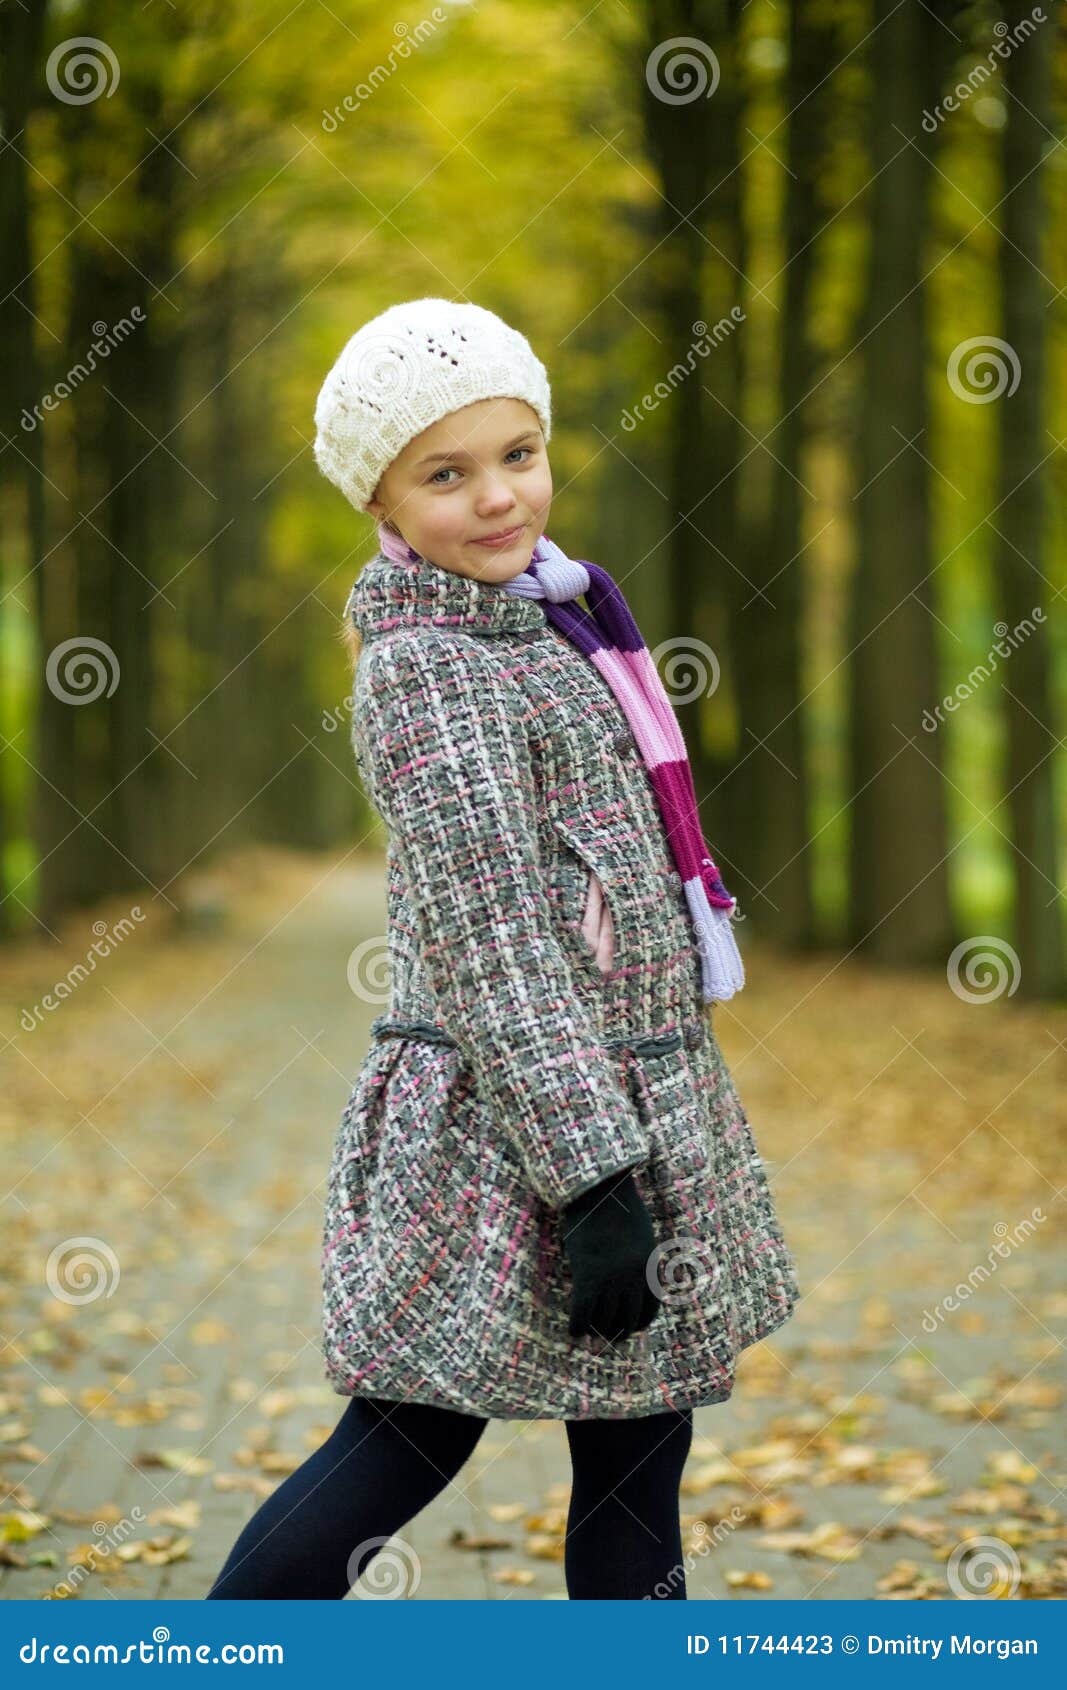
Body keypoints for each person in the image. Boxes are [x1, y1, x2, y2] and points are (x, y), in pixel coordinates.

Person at [206, 297, 799, 1601]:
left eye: (517, 454)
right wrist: (596, 1181)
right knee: (409, 1432)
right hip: (513, 1127)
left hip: (631, 1094)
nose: (496, 497)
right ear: (381, 497)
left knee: (644, 1451)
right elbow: (492, 937)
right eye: (446, 471)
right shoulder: (425, 662)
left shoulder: (551, 623)